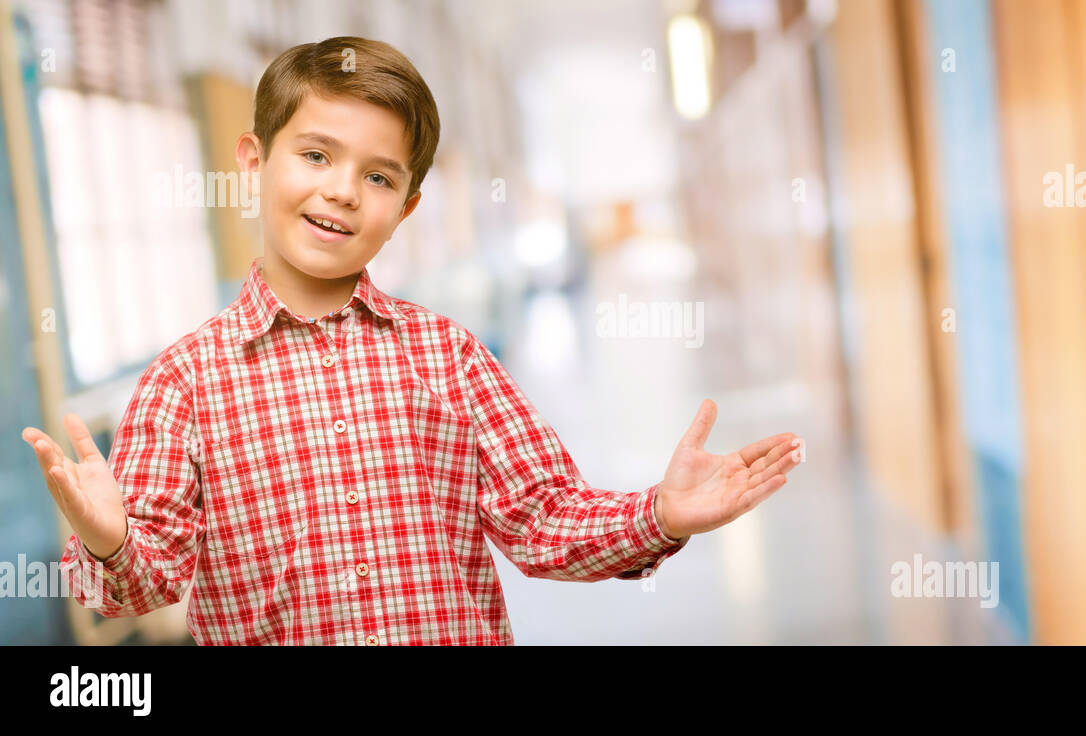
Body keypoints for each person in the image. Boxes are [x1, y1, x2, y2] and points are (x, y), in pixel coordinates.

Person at [20, 36, 804, 645]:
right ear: (254, 162)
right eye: (316, 155)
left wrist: (658, 516)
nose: (340, 191)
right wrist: (111, 540)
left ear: (407, 207)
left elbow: (542, 520)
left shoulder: (450, 358)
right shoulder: (184, 382)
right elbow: (139, 586)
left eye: (379, 176)